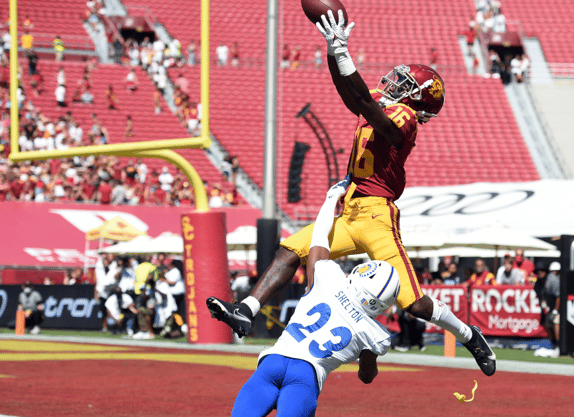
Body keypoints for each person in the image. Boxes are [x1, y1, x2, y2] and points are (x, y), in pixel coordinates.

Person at [206, 10, 495, 377]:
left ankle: (470, 336)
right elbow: (350, 93)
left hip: (377, 217)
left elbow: (364, 102)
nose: (393, 83)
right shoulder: (385, 103)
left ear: (417, 99)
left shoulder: (405, 119)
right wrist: (332, 49)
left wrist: (343, 54)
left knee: (415, 304)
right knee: (291, 249)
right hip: (351, 210)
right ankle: (245, 311)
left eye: (404, 83)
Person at [209, 176, 400, 416]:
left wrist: (332, 198)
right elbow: (366, 376)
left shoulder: (328, 277)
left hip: (272, 362)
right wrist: (364, 354)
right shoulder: (375, 335)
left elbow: (319, 237)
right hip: (305, 377)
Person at [534, 262, 561, 358]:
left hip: (558, 307)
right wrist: (543, 305)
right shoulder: (538, 282)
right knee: (546, 324)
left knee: (556, 322)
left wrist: (556, 310)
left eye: (542, 271)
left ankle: (558, 346)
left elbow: (559, 296)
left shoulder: (553, 280)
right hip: (548, 306)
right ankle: (553, 344)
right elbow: (539, 295)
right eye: (538, 271)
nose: (540, 272)